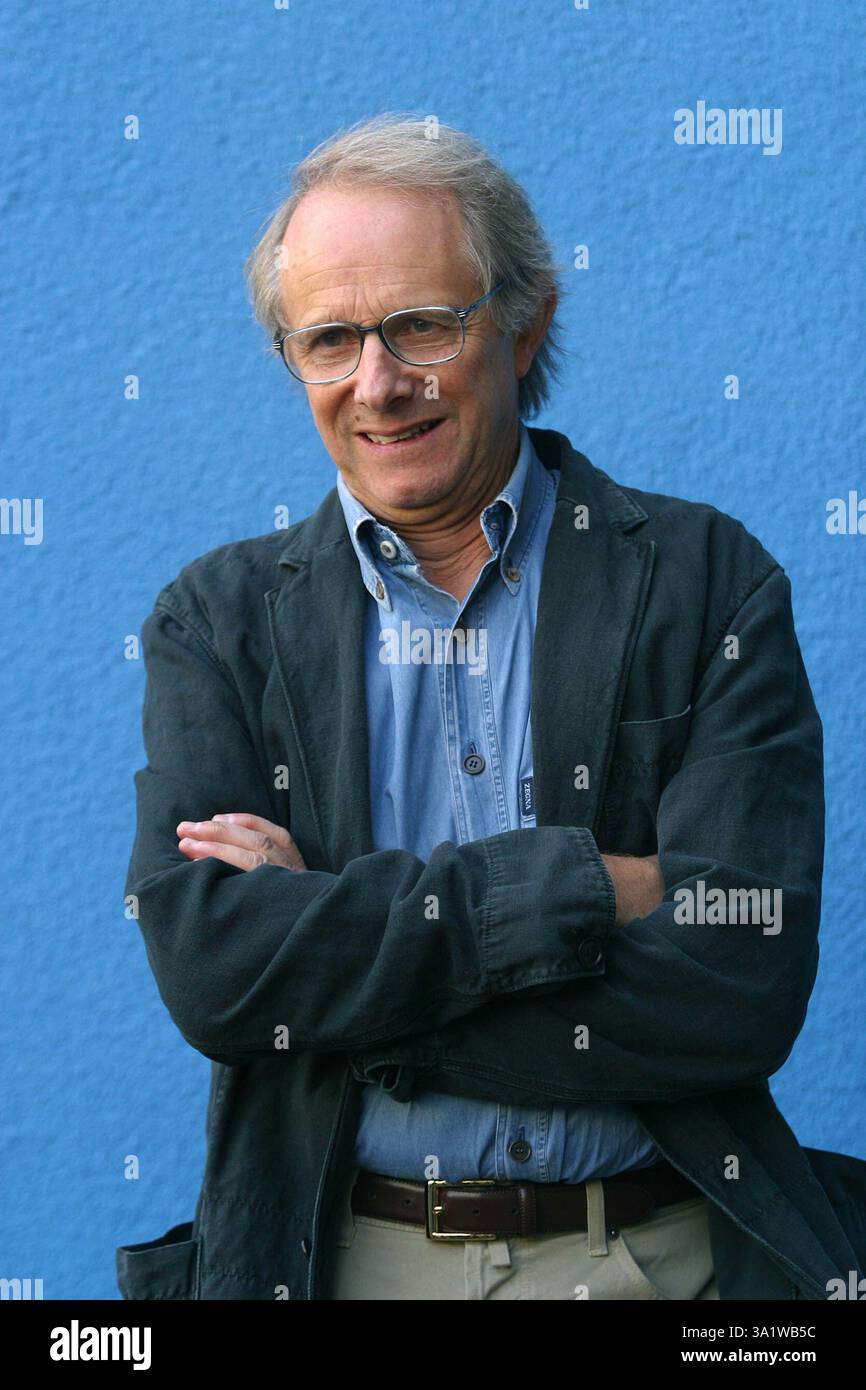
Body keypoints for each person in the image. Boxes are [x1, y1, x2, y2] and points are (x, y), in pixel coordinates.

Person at [117, 114, 866, 1301]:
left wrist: (335, 955)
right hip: (343, 1266)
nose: (377, 381)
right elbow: (220, 979)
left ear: (526, 324)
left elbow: (740, 982)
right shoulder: (217, 623)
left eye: (420, 323)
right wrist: (578, 888)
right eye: (329, 338)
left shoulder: (706, 582)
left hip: (665, 1268)